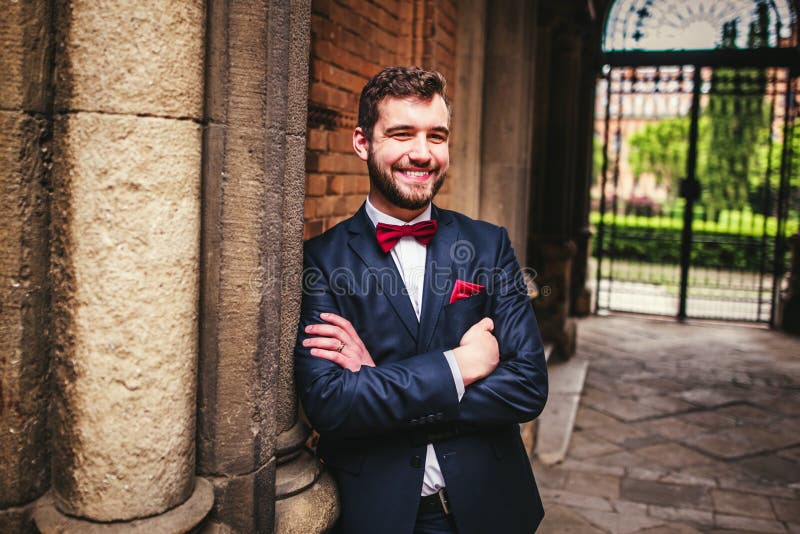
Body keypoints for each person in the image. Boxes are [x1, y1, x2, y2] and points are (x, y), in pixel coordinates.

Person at [294, 66, 548, 534]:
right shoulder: (321, 261)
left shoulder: (488, 245)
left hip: (494, 508)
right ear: (362, 142)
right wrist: (459, 366)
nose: (422, 153)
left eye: (437, 136)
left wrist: (378, 384)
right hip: (381, 515)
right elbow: (330, 404)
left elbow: (528, 385)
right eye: (402, 134)